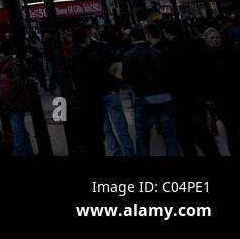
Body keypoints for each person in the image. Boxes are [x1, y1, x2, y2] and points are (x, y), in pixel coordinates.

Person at [160, 19, 217, 157]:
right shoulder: (195, 43)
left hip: (181, 97)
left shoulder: (169, 50)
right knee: (202, 131)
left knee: (186, 135)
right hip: (198, 93)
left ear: (165, 32)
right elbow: (206, 70)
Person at [122, 23, 180, 156]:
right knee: (170, 136)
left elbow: (127, 80)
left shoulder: (129, 55)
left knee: (142, 137)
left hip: (144, 96)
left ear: (132, 38)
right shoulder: (158, 52)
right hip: (164, 95)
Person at [203, 26, 240, 156]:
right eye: (212, 38)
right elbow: (205, 80)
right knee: (232, 131)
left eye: (217, 37)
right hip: (223, 100)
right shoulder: (205, 58)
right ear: (206, 40)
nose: (215, 40)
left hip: (237, 97)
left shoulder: (230, 53)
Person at [67, 25, 111, 156]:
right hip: (92, 97)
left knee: (92, 133)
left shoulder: (74, 54)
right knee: (96, 132)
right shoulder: (84, 55)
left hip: (84, 96)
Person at [1, 53, 34, 156]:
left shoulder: (12, 66)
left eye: (0, 53)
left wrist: (7, 100)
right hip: (15, 103)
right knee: (20, 131)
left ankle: (19, 153)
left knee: (18, 131)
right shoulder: (9, 65)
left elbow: (17, 84)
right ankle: (28, 152)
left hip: (15, 103)